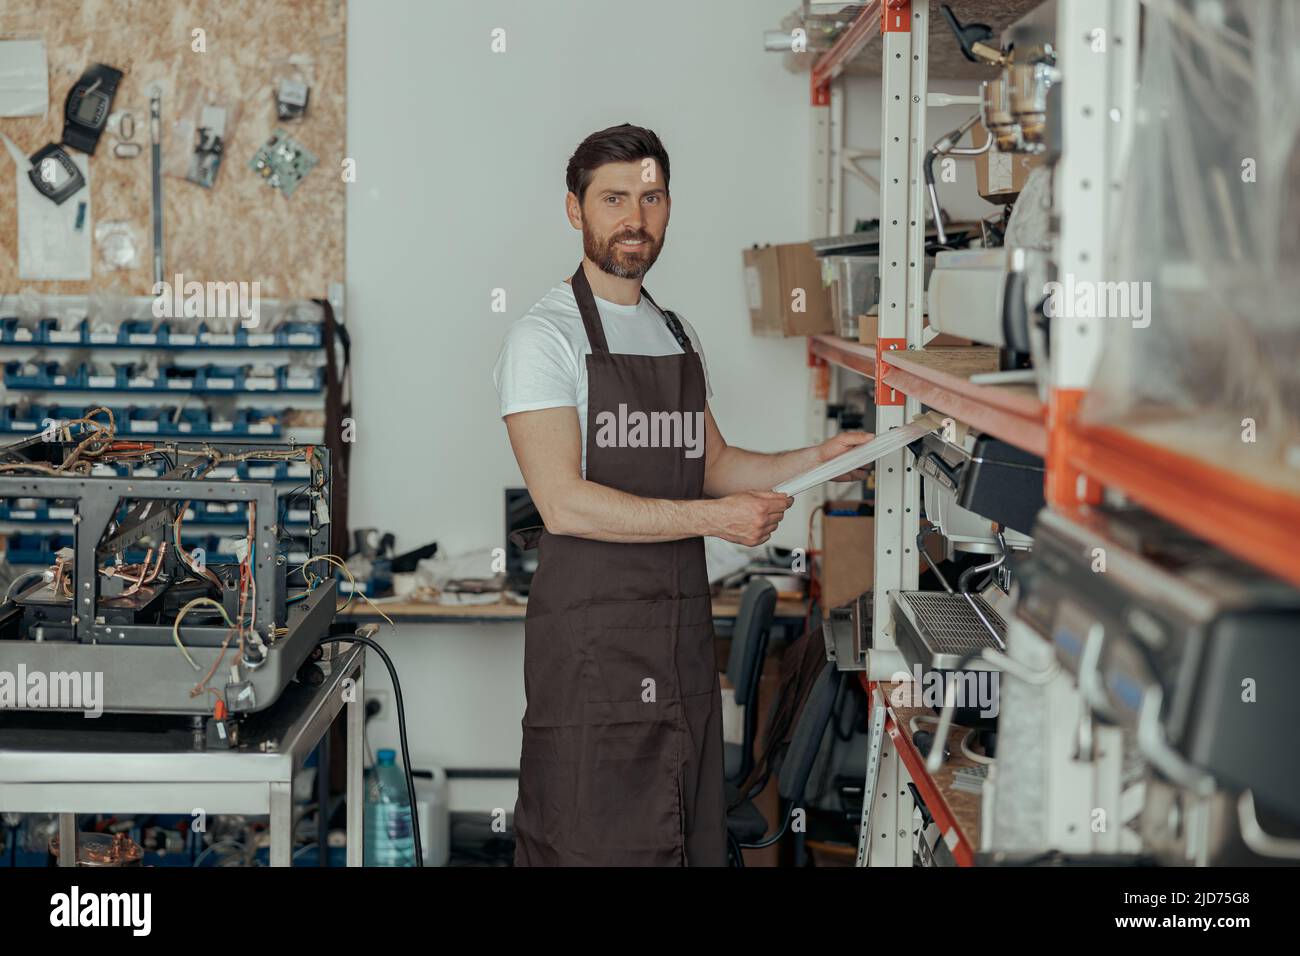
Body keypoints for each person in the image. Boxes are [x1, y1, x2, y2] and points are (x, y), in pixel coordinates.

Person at [492, 123, 870, 866]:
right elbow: (563, 502)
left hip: (678, 644)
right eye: (613, 199)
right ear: (574, 209)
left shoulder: (676, 332)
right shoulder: (545, 339)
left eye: (651, 197)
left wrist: (818, 460)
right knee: (588, 840)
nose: (635, 217)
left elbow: (715, 464)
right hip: (592, 651)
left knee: (686, 838)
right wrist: (715, 521)